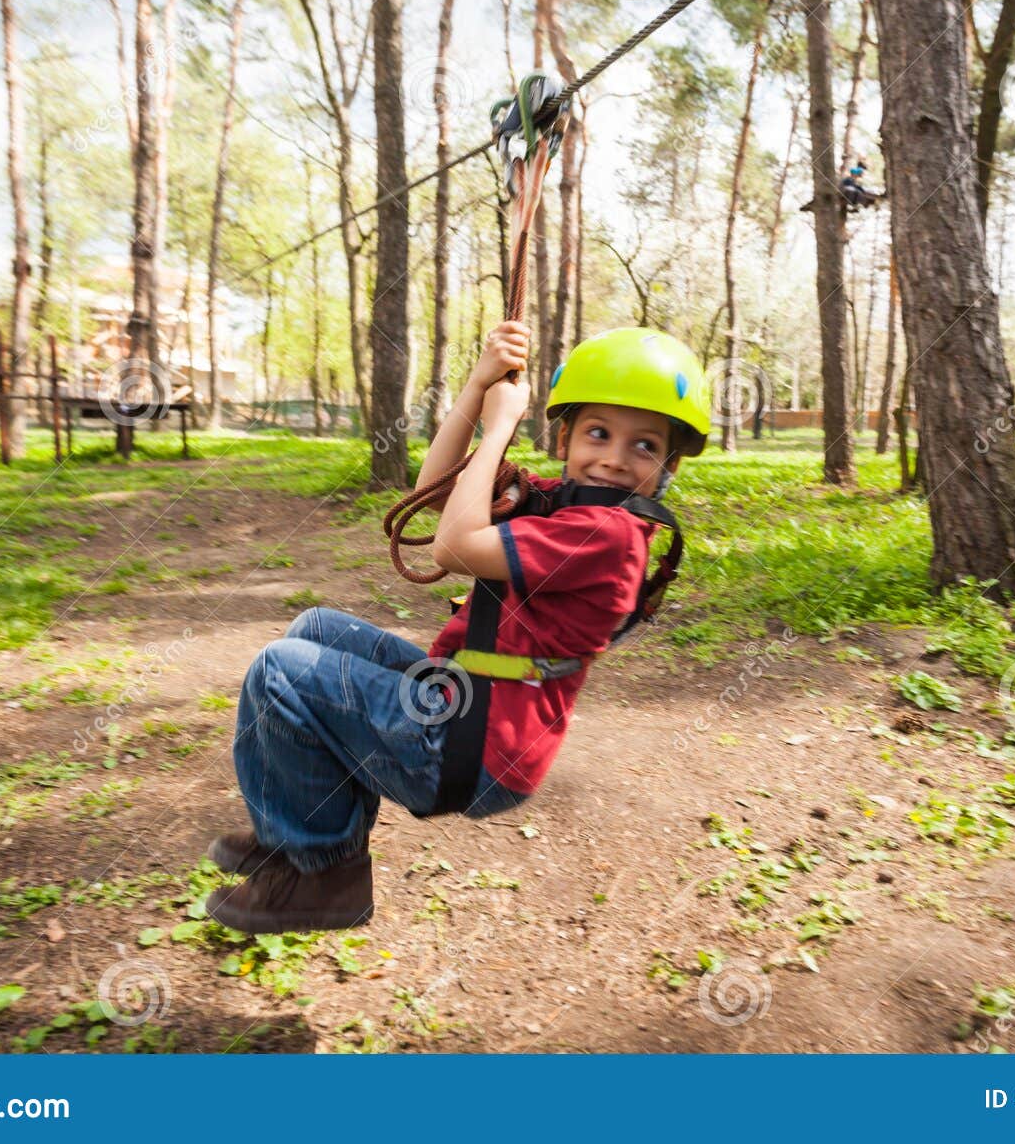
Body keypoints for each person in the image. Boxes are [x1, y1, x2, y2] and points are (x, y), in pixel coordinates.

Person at [205, 322, 711, 933]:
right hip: (461, 698)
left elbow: (452, 547)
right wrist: (477, 387)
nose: (613, 457)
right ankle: (300, 838)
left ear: (669, 465)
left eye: (644, 446)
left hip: (474, 750)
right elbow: (435, 493)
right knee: (315, 630)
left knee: (280, 675)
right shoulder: (566, 503)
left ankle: (324, 873)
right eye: (598, 433)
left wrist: (498, 429)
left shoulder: (607, 536)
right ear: (565, 437)